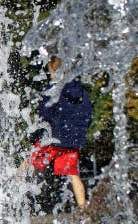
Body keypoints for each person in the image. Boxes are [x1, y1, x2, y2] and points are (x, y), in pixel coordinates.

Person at [29, 57, 93, 208]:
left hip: (53, 137)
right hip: (71, 141)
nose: (51, 75)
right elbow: (87, 115)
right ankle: (83, 209)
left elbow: (44, 114)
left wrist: (37, 134)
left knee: (29, 161)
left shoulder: (53, 88)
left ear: (56, 72)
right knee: (74, 175)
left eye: (51, 72)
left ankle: (11, 188)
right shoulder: (81, 92)